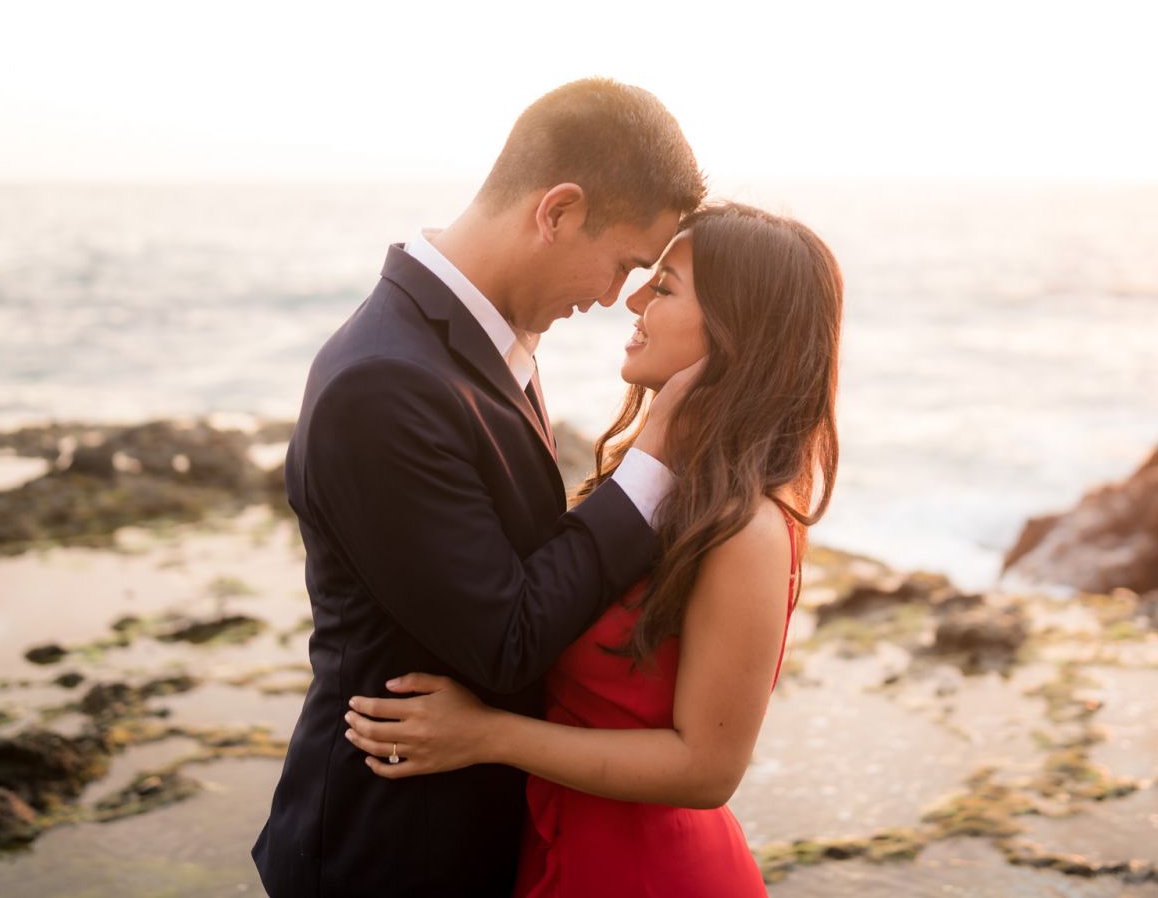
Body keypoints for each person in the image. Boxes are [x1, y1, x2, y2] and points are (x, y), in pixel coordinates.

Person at [251, 78, 707, 897]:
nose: (614, 297)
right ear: (558, 212)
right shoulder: (384, 383)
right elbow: (506, 638)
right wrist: (654, 463)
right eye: (624, 264)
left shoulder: (489, 341)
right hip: (388, 854)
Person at [345, 202, 843, 896]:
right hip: (556, 849)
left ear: (736, 334)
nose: (633, 298)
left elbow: (707, 770)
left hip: (649, 875)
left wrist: (484, 735)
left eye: (664, 287)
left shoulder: (745, 530)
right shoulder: (650, 490)